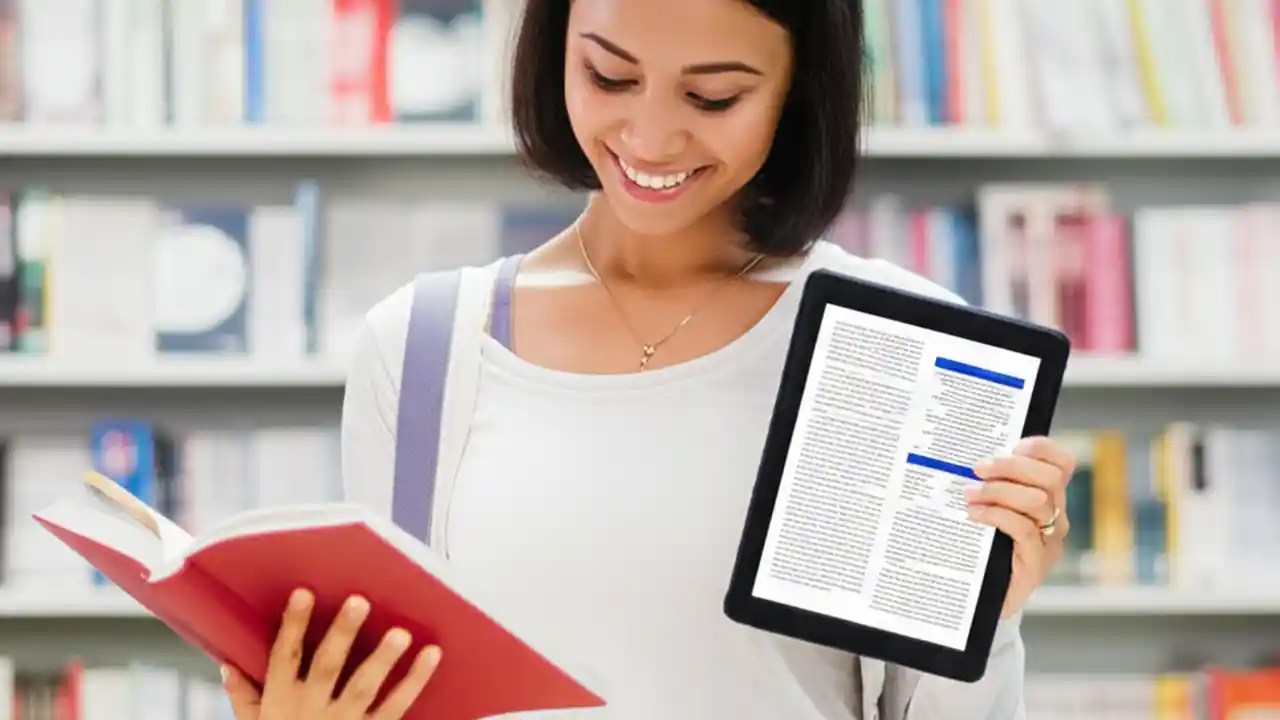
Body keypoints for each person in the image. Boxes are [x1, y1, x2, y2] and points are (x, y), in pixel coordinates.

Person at [221, 0, 1077, 717]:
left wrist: (990, 614)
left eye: (713, 96)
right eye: (609, 76)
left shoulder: (894, 349)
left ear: (797, 89)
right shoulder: (423, 348)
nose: (652, 137)